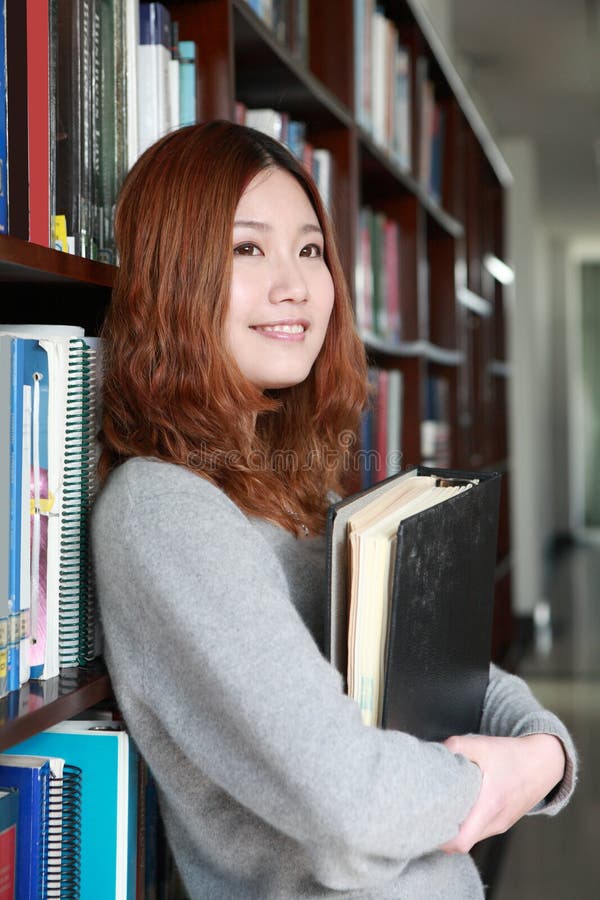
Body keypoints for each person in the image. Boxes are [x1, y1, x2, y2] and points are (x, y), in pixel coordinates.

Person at [91, 120, 576, 899]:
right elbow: (353, 801)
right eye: (247, 248)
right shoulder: (163, 512)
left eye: (311, 249)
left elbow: (454, 681)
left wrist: (542, 753)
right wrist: (496, 780)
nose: (295, 285)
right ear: (173, 275)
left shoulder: (299, 494)